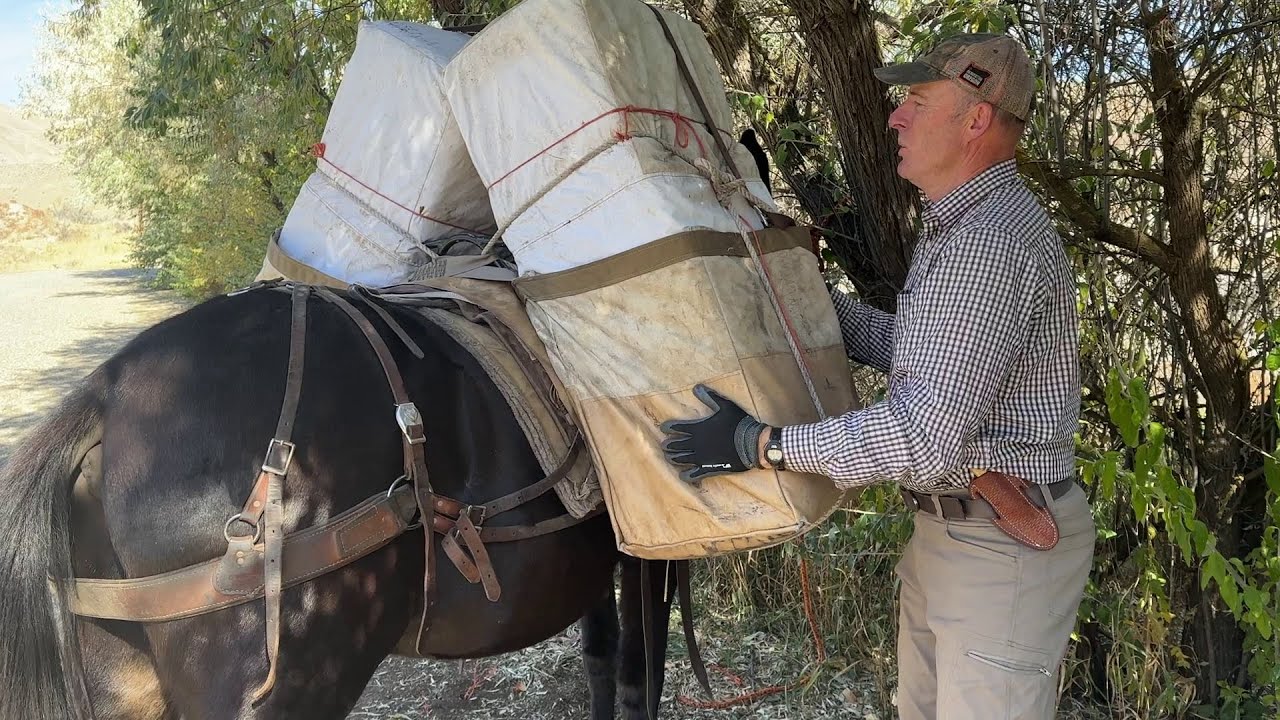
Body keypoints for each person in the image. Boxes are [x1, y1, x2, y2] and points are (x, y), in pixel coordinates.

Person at [660, 33, 1094, 720]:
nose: (895, 116)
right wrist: (804, 299)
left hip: (994, 549)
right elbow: (924, 354)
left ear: (976, 119)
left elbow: (924, 438)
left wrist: (760, 445)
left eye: (918, 101)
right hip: (961, 535)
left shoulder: (988, 243)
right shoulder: (964, 225)